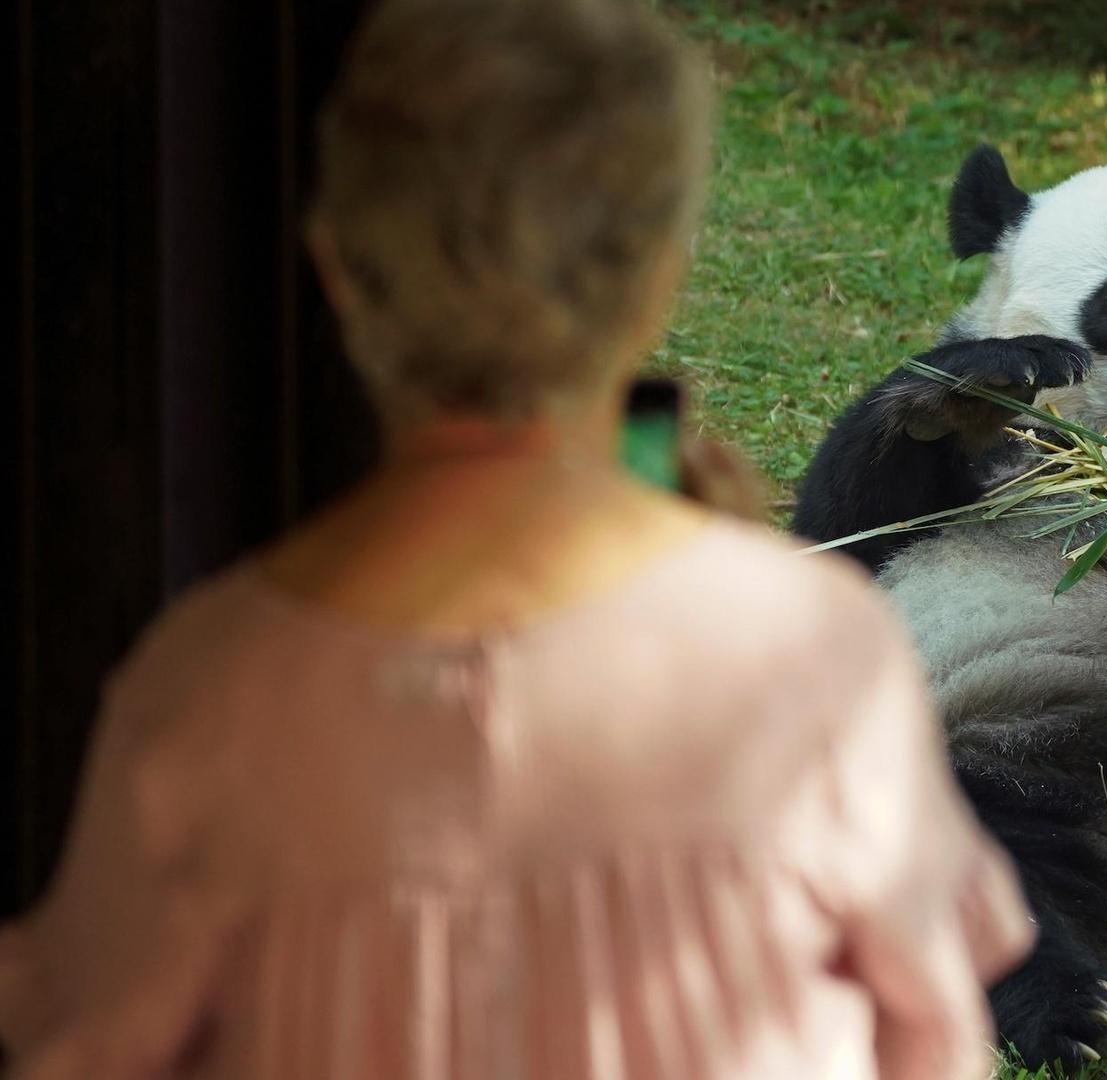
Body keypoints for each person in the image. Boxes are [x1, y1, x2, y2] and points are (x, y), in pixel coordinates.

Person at [0, 1, 1034, 1076]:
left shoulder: (201, 692)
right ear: (660, 280)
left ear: (336, 267)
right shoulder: (817, 657)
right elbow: (932, 1036)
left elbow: (74, 1040)